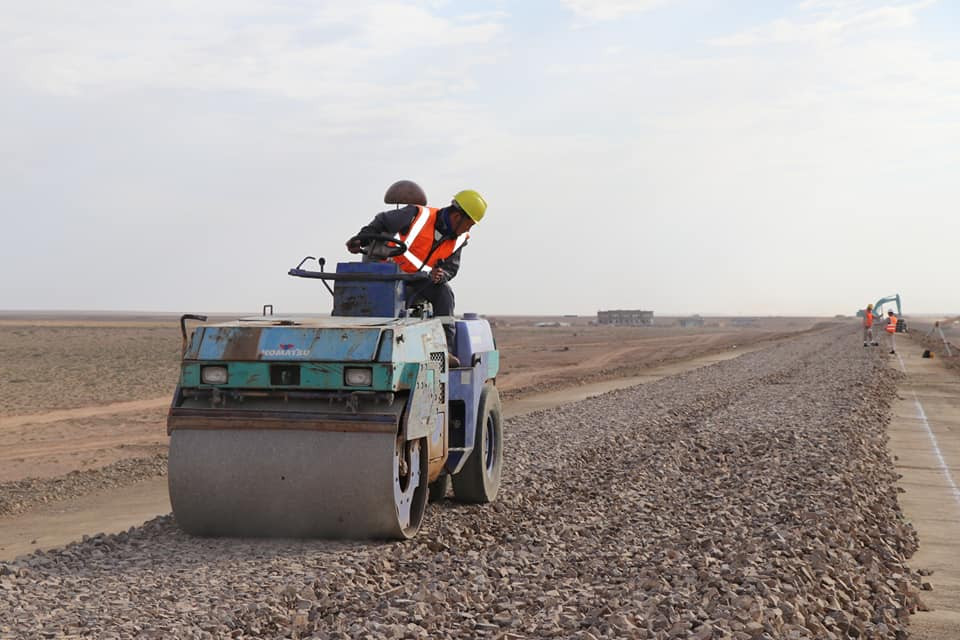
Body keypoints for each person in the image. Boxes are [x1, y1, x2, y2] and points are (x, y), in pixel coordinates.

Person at [346, 189, 487, 362]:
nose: (468, 229)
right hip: (388, 275)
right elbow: (382, 221)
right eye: (469, 224)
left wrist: (441, 275)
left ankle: (443, 351)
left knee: (444, 293)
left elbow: (451, 268)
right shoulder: (417, 215)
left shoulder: (460, 239)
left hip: (418, 281)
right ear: (457, 217)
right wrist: (361, 239)